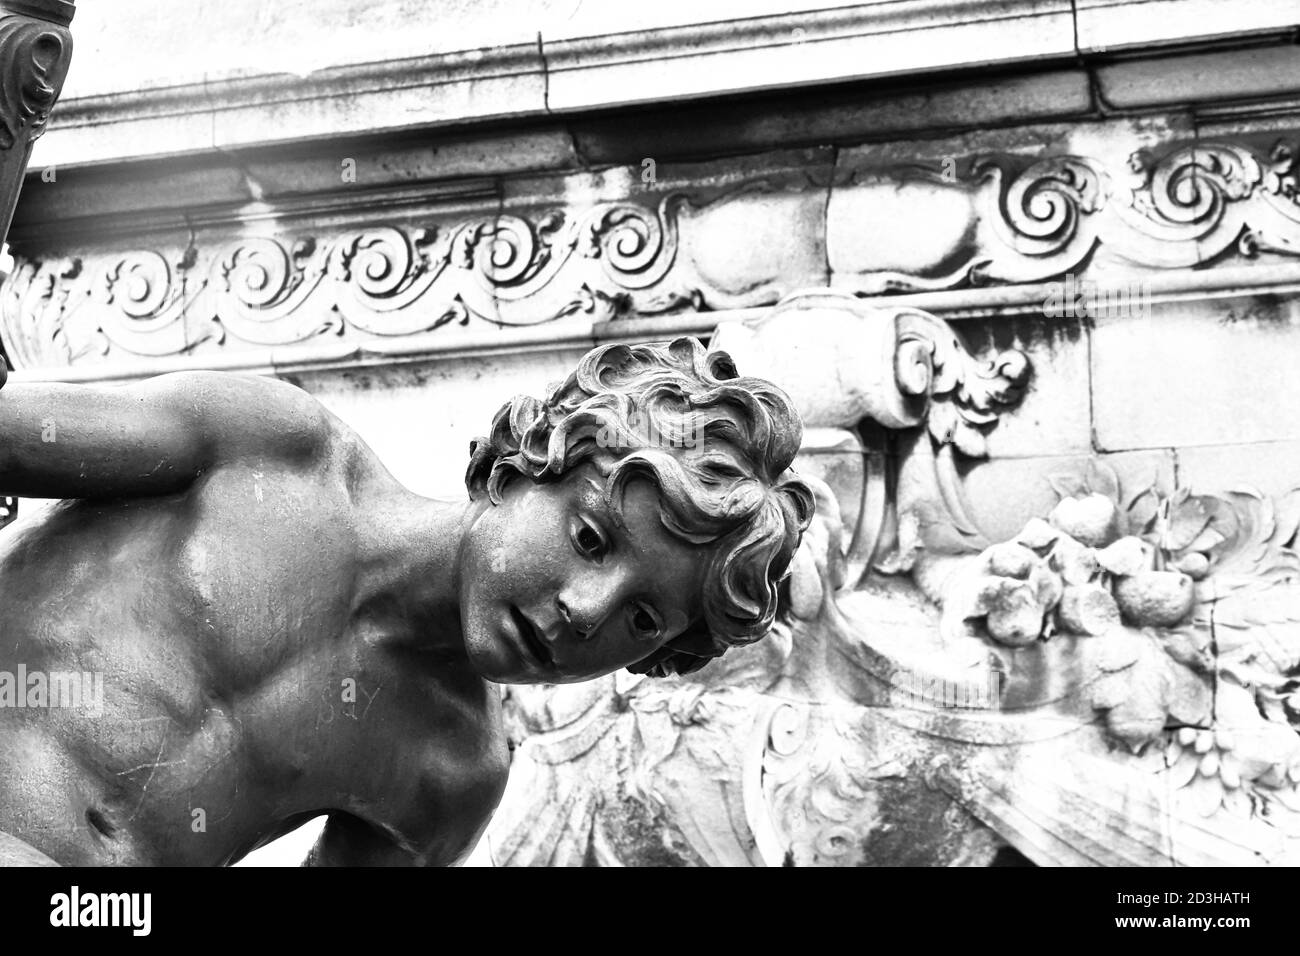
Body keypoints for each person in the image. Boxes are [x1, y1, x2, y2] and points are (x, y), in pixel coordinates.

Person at [0, 336, 813, 866]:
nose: (585, 613)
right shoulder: (267, 450)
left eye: (642, 621)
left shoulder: (450, 771)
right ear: (520, 466)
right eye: (592, 539)